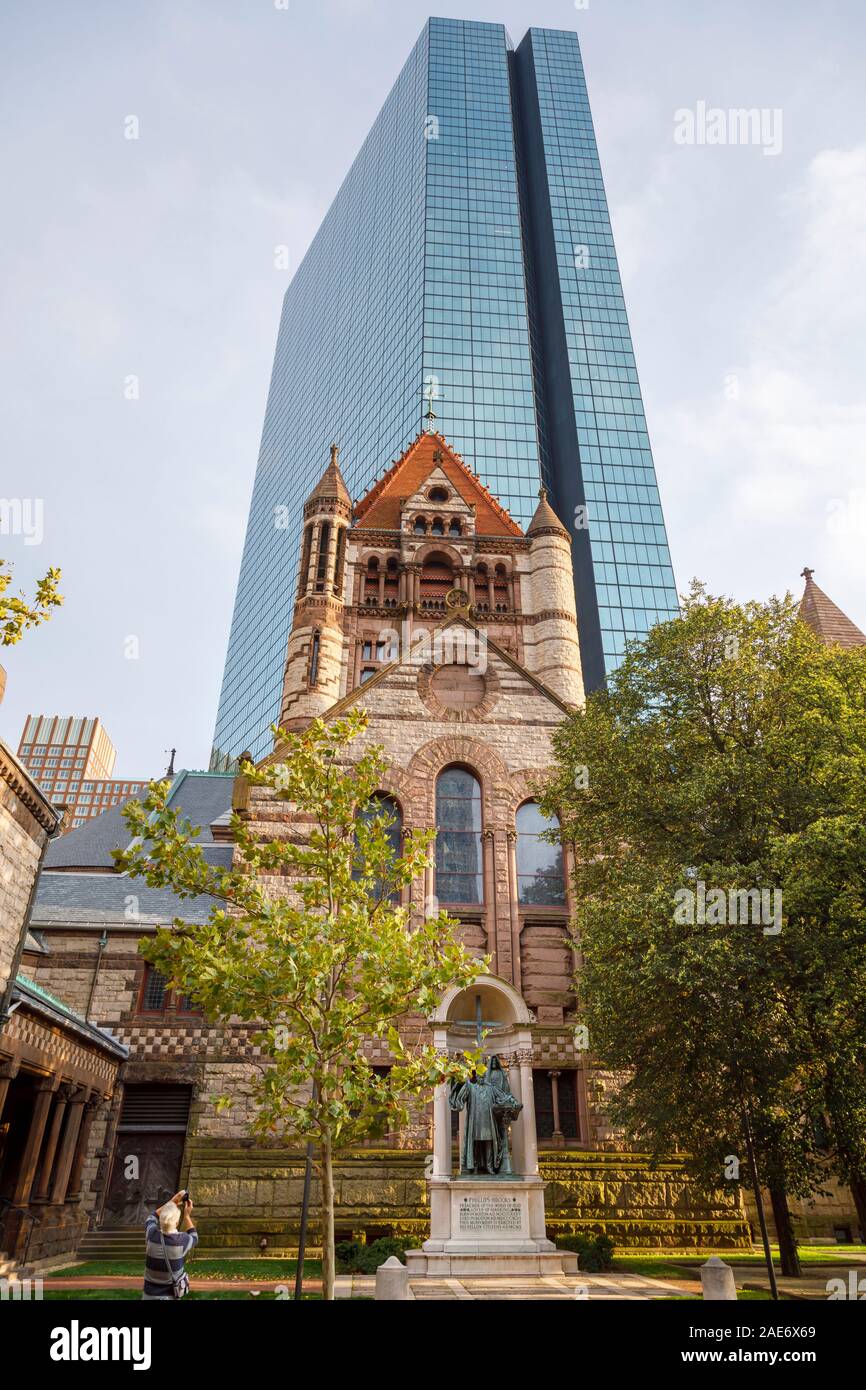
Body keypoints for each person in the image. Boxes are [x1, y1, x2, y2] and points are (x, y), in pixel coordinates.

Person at [142, 1191, 197, 1300]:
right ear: (176, 1223)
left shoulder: (151, 1236)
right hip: (170, 1296)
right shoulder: (182, 1241)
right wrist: (186, 1216)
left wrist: (172, 1201)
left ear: (161, 1220)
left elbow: (151, 1217)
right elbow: (194, 1235)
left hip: (148, 1296)